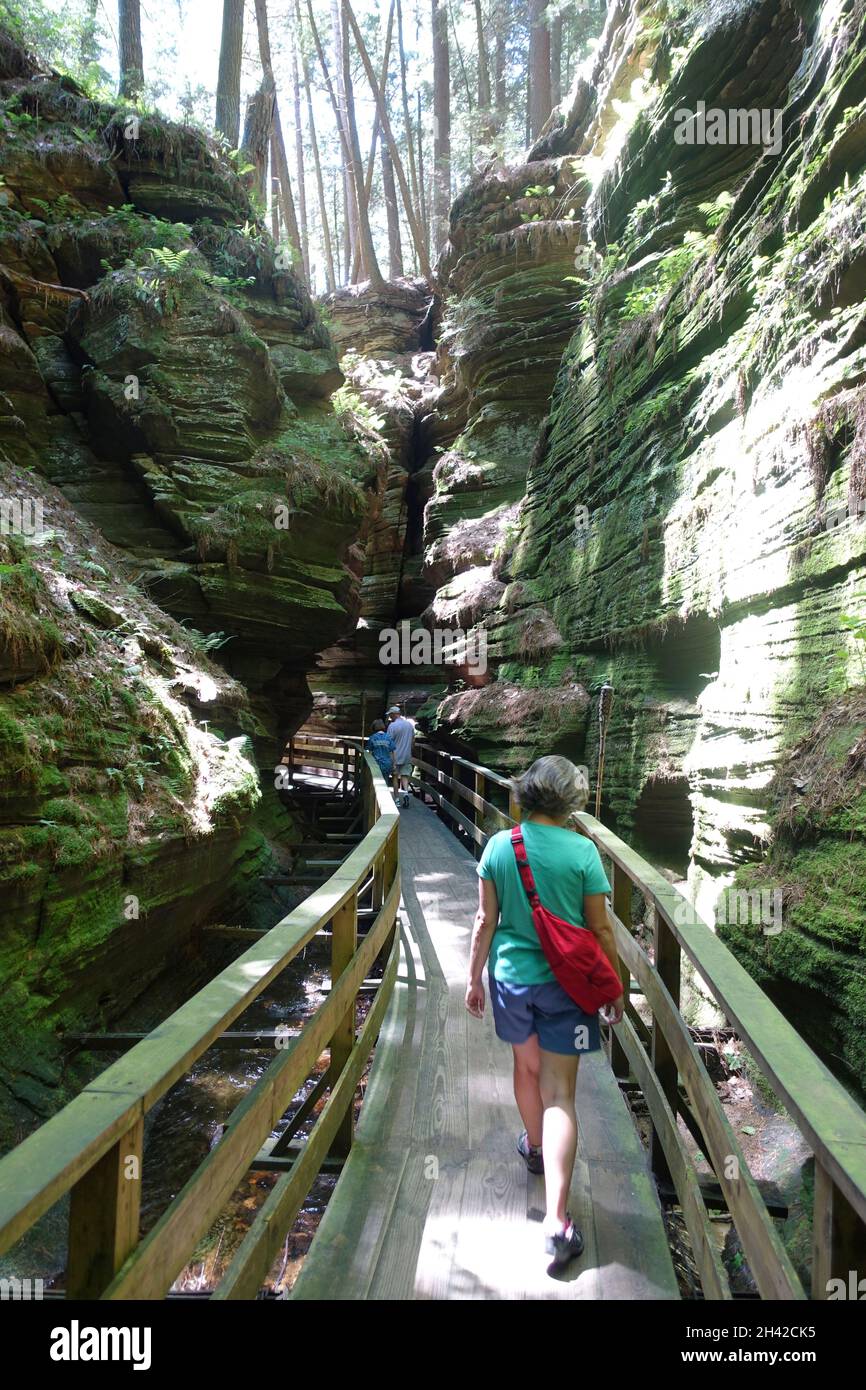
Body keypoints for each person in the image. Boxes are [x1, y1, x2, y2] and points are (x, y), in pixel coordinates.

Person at [464, 755, 624, 1269]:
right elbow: (599, 930)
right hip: (567, 987)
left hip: (510, 978)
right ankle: (557, 1222)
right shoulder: (583, 852)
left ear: (525, 794)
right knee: (561, 1094)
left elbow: (485, 919)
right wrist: (613, 988)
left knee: (525, 1070)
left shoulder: (497, 846)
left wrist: (473, 978)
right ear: (571, 800)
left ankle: (534, 1147)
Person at [385, 705, 415, 808]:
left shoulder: (392, 726)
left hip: (395, 756)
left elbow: (388, 742)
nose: (390, 717)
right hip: (407, 755)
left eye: (390, 715)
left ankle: (397, 800)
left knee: (395, 777)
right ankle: (406, 793)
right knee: (405, 775)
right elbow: (413, 741)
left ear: (394, 714)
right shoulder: (409, 725)